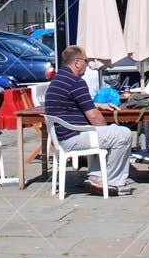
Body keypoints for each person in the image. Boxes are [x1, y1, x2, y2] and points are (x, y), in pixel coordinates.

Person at [45, 46, 135, 195]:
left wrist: (98, 104)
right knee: (123, 134)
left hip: (62, 137)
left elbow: (76, 103)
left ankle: (96, 176)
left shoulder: (59, 79)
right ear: (77, 62)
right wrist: (105, 129)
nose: (87, 65)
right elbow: (93, 116)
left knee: (98, 133)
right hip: (72, 137)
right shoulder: (76, 82)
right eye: (86, 61)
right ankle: (112, 182)